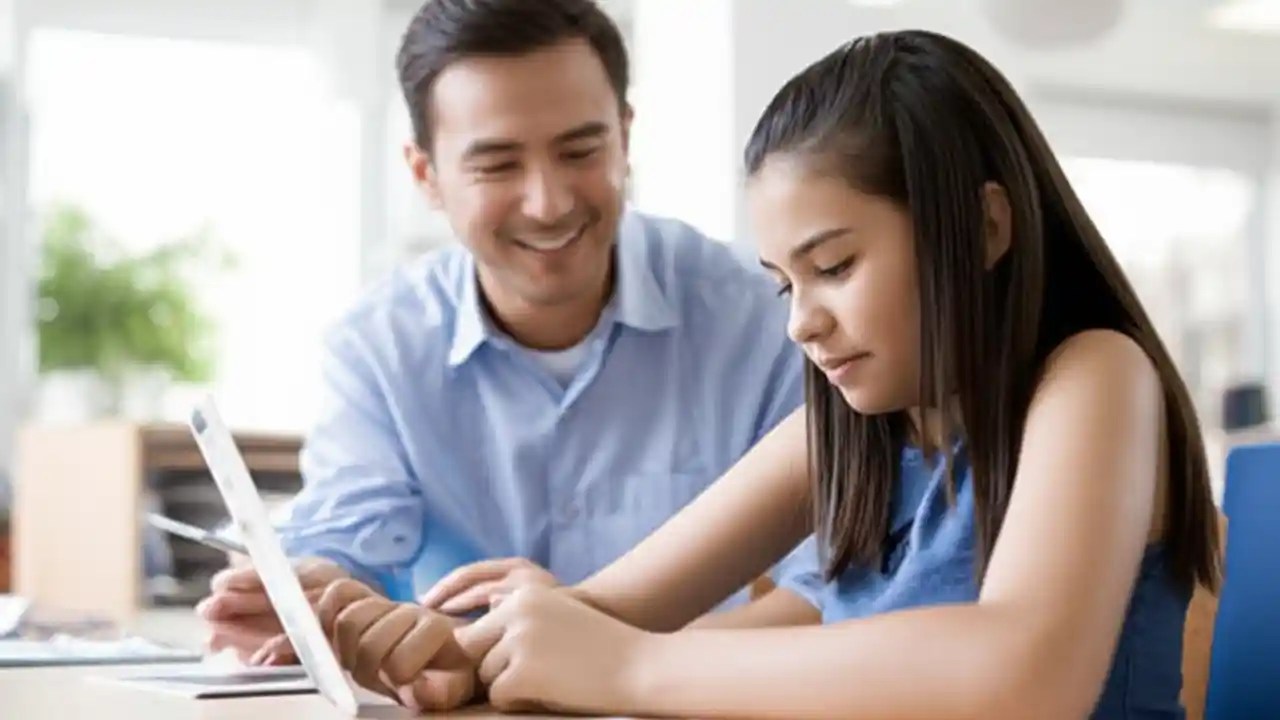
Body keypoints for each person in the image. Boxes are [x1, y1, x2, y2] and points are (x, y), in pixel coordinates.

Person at [315, 29, 1222, 719]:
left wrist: (629, 666)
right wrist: (461, 653)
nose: (801, 323)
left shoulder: (1094, 376)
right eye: (786, 283)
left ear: (985, 229)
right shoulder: (852, 426)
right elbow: (604, 608)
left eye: (834, 267)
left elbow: (1023, 676)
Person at [196, 0, 811, 664]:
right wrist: (307, 599)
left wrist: (602, 656)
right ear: (426, 175)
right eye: (497, 165)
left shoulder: (767, 318)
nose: (548, 203)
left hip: (671, 695)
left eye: (581, 151)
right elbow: (349, 545)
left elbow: (831, 592)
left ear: (625, 139)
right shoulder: (378, 346)